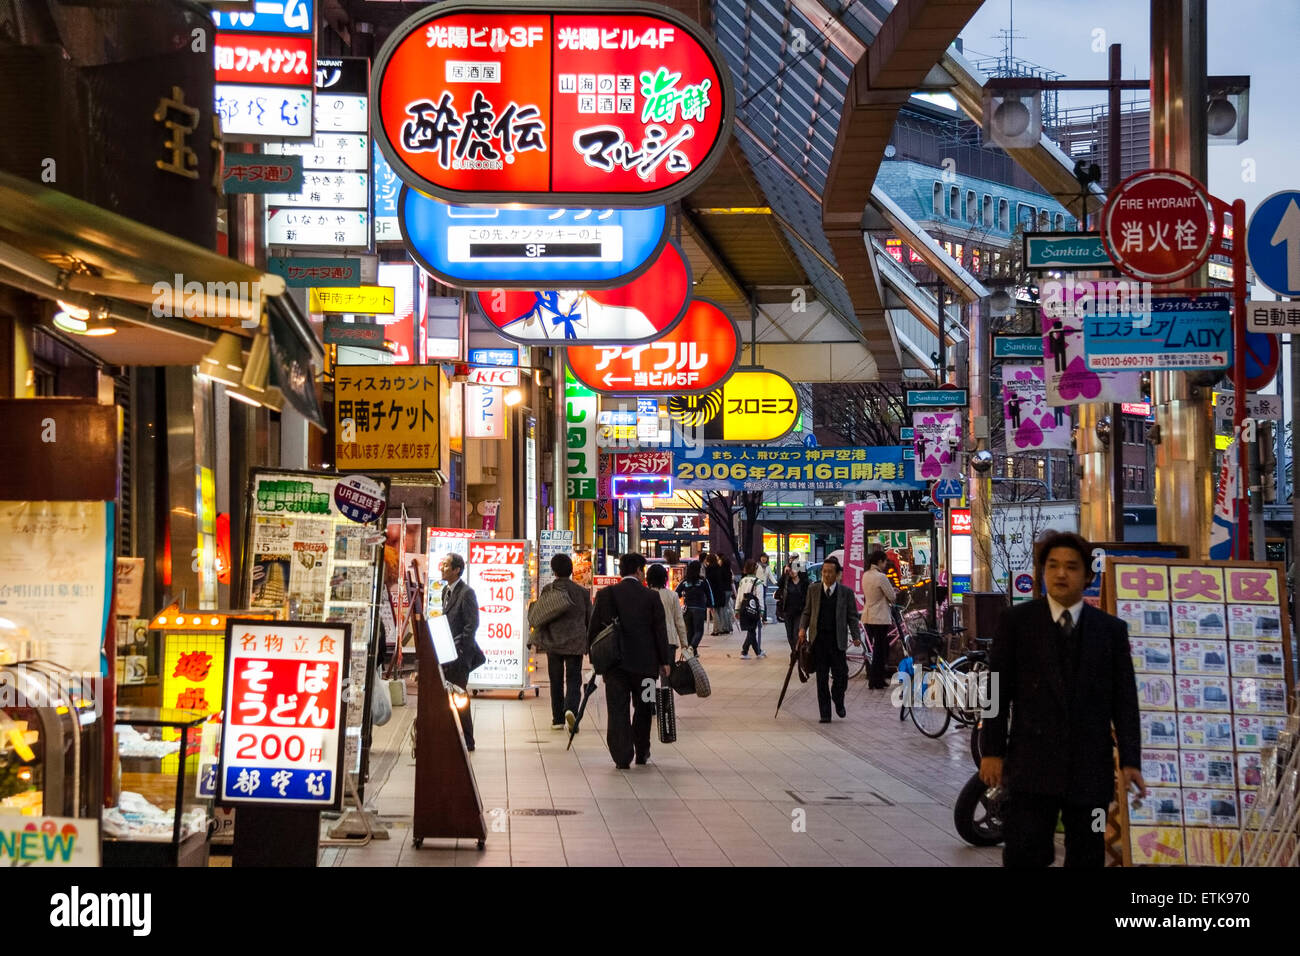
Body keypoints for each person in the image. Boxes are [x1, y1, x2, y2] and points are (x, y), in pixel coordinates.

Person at [979, 531, 1147, 868]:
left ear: (1087, 575)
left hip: (1091, 769)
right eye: (1052, 566)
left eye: (1071, 567)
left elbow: (1124, 699)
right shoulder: (1017, 622)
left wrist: (1130, 760)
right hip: (1030, 765)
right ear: (1042, 573)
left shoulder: (1110, 630)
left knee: (1088, 853)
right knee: (1025, 853)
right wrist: (992, 751)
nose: (1060, 574)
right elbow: (996, 690)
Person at [587, 553, 672, 769]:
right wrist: (665, 661)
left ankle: (622, 756)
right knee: (644, 707)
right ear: (638, 571)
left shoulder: (607, 595)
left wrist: (594, 657)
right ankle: (642, 750)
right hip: (646, 668)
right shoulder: (651, 597)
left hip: (615, 667)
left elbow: (594, 628)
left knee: (617, 709)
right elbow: (660, 632)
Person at [531, 553, 592, 732]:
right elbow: (589, 618)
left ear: (554, 570)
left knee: (555, 681)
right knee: (573, 679)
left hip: (553, 642)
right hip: (575, 643)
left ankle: (557, 719)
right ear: (571, 570)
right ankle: (571, 709)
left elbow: (542, 615)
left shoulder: (548, 590)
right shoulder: (581, 592)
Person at [797, 556, 861, 723]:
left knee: (842, 676)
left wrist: (856, 637)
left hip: (837, 641)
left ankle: (838, 699)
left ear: (837, 574)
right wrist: (802, 629)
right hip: (818, 642)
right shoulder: (813, 589)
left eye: (830, 572)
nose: (826, 575)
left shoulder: (846, 593)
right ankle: (825, 714)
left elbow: (852, 617)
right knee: (821, 678)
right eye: (824, 572)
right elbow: (807, 611)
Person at [439, 552, 484, 752]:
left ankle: (468, 739)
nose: (442, 567)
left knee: (460, 695)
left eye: (447, 565)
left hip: (460, 654)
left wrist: (461, 650)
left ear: (457, 569)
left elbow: (472, 624)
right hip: (447, 653)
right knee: (452, 695)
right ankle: (456, 736)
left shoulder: (467, 593)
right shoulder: (445, 591)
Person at [860, 549, 897, 690]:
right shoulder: (881, 577)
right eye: (885, 561)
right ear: (880, 561)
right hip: (880, 617)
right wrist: (894, 593)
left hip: (868, 616)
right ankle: (876, 680)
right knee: (880, 650)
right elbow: (892, 596)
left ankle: (876, 678)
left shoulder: (866, 575)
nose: (886, 564)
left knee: (877, 649)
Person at [647, 563, 687, 673]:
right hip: (669, 640)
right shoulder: (672, 595)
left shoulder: (645, 595)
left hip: (650, 640)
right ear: (665, 578)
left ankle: (651, 690)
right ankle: (667, 690)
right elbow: (679, 621)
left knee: (650, 676)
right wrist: (684, 644)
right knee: (667, 675)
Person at [675, 559, 713, 653]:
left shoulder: (685, 581)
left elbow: (676, 593)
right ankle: (692, 647)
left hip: (687, 609)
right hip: (699, 608)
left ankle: (692, 651)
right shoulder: (703, 581)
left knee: (690, 631)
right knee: (699, 631)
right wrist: (710, 604)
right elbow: (709, 594)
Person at [775, 558, 810, 651]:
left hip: (800, 612)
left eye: (795, 569)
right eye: (791, 570)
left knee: (796, 633)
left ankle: (798, 652)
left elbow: (807, 581)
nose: (792, 572)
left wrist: (800, 565)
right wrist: (784, 573)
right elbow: (779, 584)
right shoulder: (786, 582)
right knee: (789, 635)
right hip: (788, 612)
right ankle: (794, 651)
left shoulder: (804, 583)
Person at [735, 560, 766, 659]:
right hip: (753, 609)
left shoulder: (742, 581)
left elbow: (739, 596)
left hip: (743, 608)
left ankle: (757, 651)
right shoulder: (758, 582)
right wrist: (761, 611)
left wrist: (737, 609)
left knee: (751, 630)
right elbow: (760, 598)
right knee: (752, 630)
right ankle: (744, 651)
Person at [706, 554, 734, 635]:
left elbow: (710, 581)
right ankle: (726, 627)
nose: (719, 561)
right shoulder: (724, 569)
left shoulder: (712, 569)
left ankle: (718, 629)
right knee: (724, 609)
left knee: (716, 610)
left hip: (716, 591)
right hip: (725, 591)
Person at [755, 552, 775, 622]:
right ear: (760, 558)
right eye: (763, 557)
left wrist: (776, 583)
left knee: (763, 600)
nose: (764, 559)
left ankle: (764, 618)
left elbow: (771, 576)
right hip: (756, 585)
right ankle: (756, 616)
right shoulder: (756, 565)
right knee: (757, 600)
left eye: (765, 558)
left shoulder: (768, 567)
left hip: (764, 585)